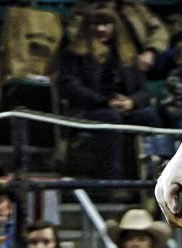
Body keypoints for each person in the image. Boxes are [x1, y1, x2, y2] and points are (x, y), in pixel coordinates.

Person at [59, 3, 163, 182]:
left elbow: (144, 91)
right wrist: (105, 101)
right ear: (86, 27)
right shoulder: (74, 55)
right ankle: (113, 181)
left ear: (116, 27)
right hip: (90, 110)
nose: (101, 29)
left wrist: (132, 102)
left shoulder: (127, 56)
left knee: (149, 117)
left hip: (123, 108)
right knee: (111, 118)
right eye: (95, 24)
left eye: (107, 24)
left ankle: (156, 177)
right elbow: (70, 87)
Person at [67, 0, 169, 75]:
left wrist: (150, 51)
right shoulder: (84, 9)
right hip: (105, 61)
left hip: (143, 58)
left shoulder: (133, 6)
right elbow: (75, 35)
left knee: (178, 55)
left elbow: (158, 30)